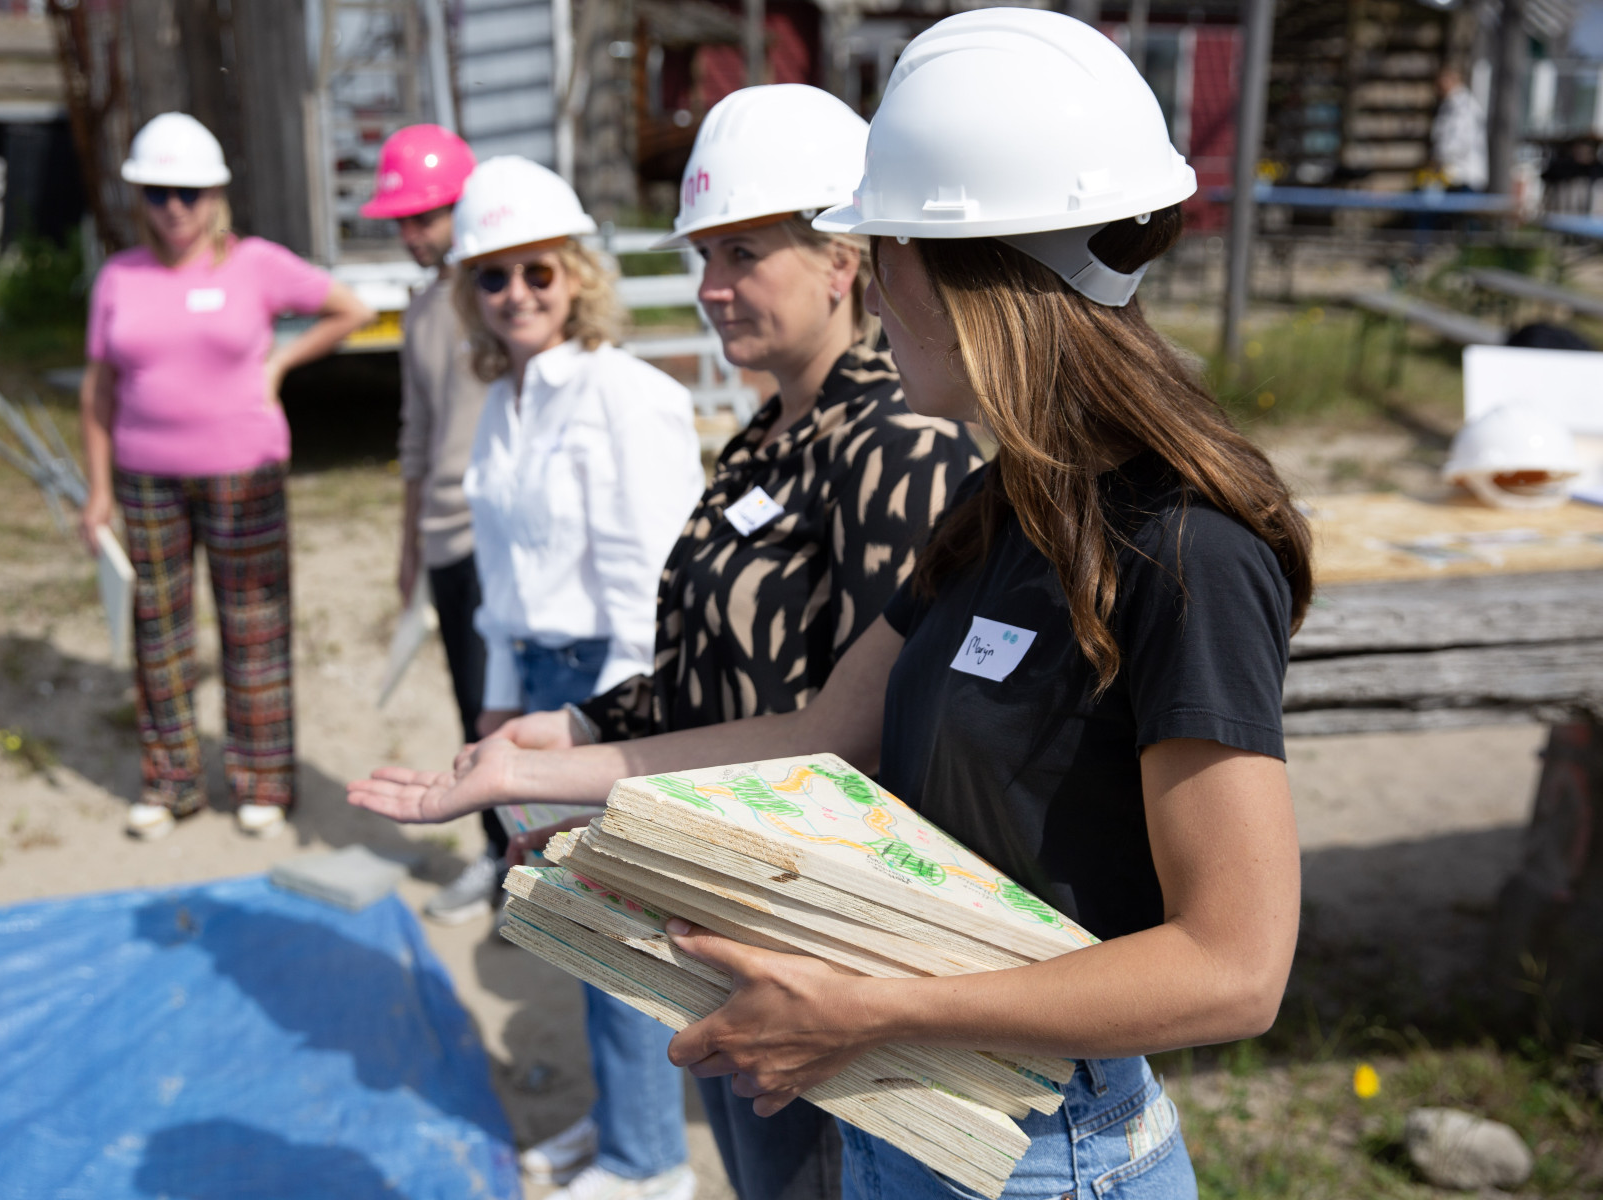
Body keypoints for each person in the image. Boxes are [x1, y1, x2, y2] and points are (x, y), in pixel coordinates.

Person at [350, 12, 1312, 1200]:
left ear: (969, 278)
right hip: (903, 1109)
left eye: (883, 253)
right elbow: (818, 734)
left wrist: (864, 1009)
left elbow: (1234, 969)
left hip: (1041, 1150)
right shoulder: (1007, 505)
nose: (873, 285)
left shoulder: (1182, 548)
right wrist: (535, 779)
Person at [489, 85, 984, 1200]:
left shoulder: (898, 447)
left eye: (743, 253)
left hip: (814, 938)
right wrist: (579, 723)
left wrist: (589, 781)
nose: (711, 288)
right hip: (717, 899)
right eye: (704, 255)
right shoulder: (767, 436)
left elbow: (876, 742)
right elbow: (709, 673)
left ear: (841, 262)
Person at [450, 154, 705, 1200]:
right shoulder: (502, 406)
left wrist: (596, 724)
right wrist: (500, 704)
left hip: (609, 683)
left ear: (577, 275)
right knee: (573, 919)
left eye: (537, 273)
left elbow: (652, 589)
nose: (516, 296)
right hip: (536, 675)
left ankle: (653, 1162)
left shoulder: (625, 395)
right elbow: (502, 575)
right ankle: (621, 1124)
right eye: (492, 277)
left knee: (620, 924)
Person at [78, 113, 374, 841]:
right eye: (157, 193)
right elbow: (99, 389)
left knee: (255, 627)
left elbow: (351, 308)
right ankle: (171, 780)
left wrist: (280, 363)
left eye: (188, 192)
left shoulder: (257, 264)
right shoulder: (119, 276)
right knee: (159, 630)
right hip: (148, 478)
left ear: (215, 195)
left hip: (245, 474)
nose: (174, 209)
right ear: (139, 199)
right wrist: (98, 489)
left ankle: (263, 780)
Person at [363, 124, 507, 924]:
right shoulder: (420, 313)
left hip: (515, 536)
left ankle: (549, 865)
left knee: (542, 710)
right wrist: (408, 541)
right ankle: (498, 856)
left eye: (428, 216)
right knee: (476, 707)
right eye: (404, 220)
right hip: (451, 540)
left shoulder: (503, 294)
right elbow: (415, 436)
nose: (414, 234)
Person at [1431, 65, 1488, 192]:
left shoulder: (1465, 107)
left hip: (1464, 177)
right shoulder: (1448, 105)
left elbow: (1458, 143)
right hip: (1450, 176)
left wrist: (1437, 158)